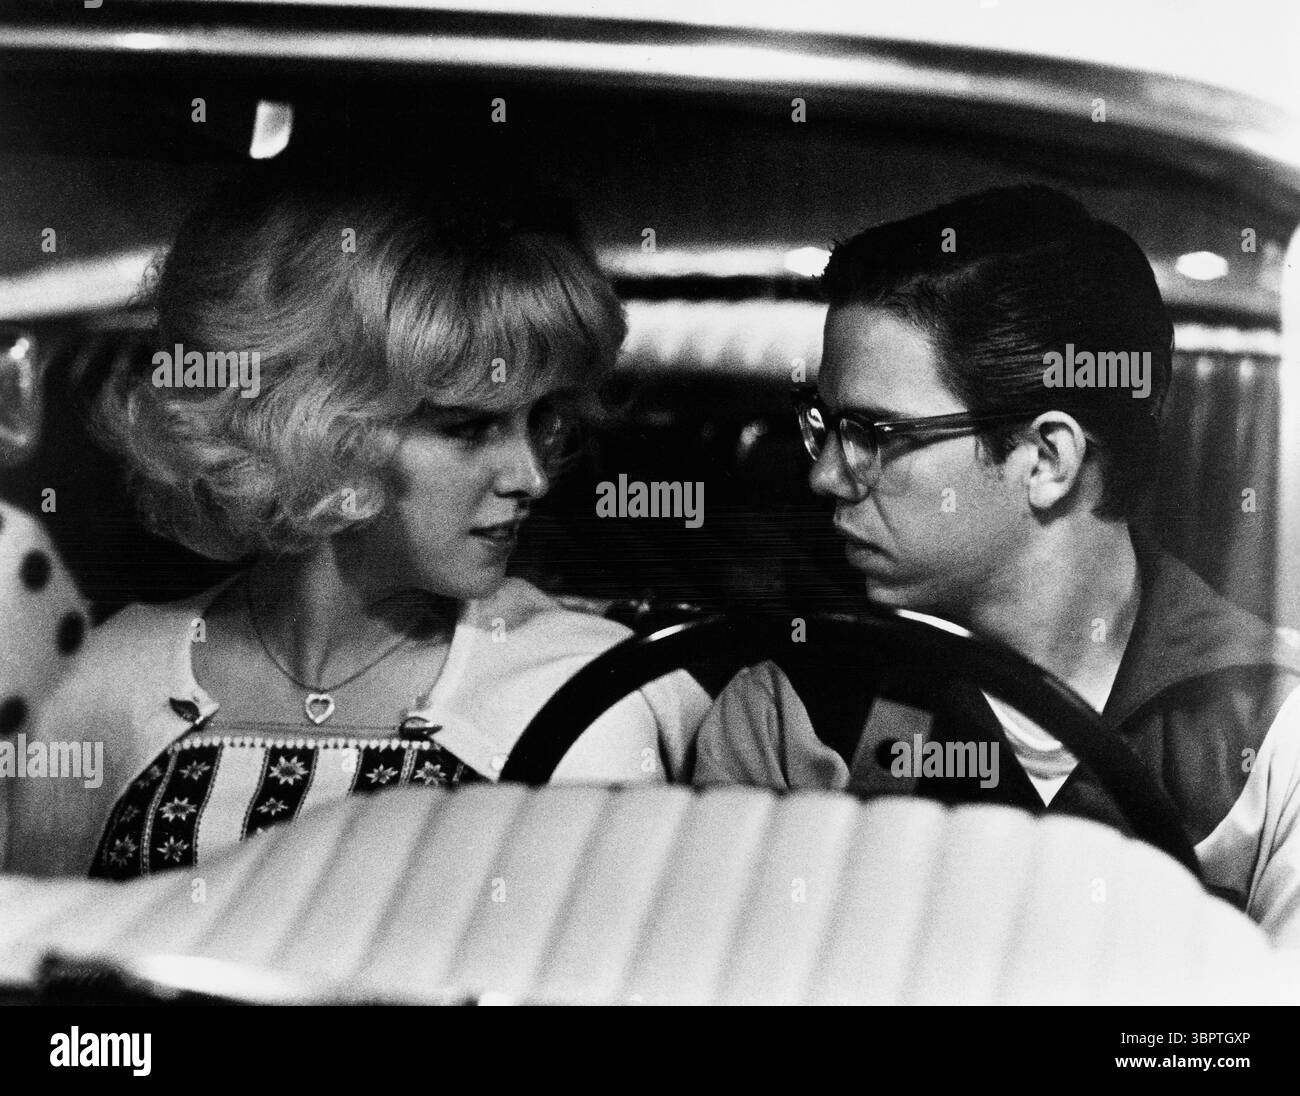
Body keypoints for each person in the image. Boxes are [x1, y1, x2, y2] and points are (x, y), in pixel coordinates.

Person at [6, 163, 709, 879]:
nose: (529, 476)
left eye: (544, 420)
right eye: (468, 429)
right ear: (318, 428)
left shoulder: (587, 691)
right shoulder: (105, 685)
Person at [694, 185, 1300, 946]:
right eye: (825, 427)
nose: (826, 476)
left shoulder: (1273, 730)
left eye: (874, 433)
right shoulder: (796, 713)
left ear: (1046, 459)